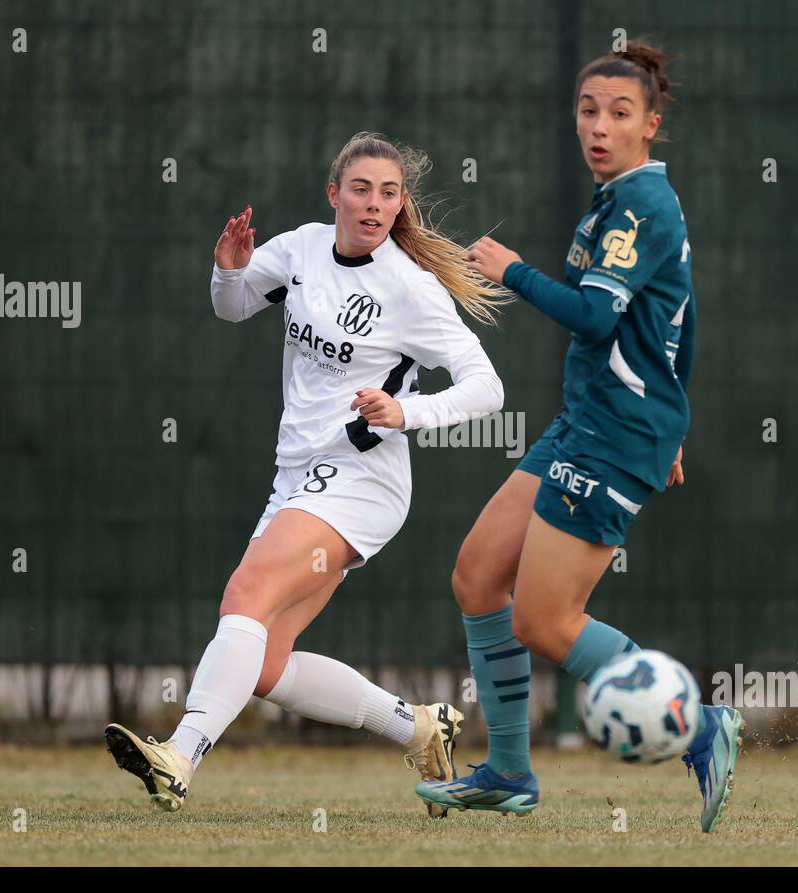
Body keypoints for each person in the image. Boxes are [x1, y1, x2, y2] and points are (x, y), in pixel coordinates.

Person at [105, 132, 511, 814]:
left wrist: (404, 412)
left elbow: (486, 387)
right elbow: (231, 306)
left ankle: (179, 755)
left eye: (388, 192)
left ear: (399, 203)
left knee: (246, 593)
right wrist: (229, 269)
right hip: (296, 476)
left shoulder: (409, 289)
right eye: (361, 189)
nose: (374, 203)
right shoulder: (298, 247)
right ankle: (416, 726)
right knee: (264, 666)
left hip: (361, 477)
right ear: (334, 194)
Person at [415, 43, 745, 832]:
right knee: (475, 577)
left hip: (611, 432)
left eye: (620, 113)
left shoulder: (639, 206)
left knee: (544, 620)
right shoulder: (617, 201)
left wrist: (514, 271)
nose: (600, 125)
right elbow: (678, 315)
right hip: (592, 423)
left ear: (651, 125)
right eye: (588, 110)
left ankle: (701, 725)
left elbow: (597, 316)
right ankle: (509, 773)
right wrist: (675, 417)